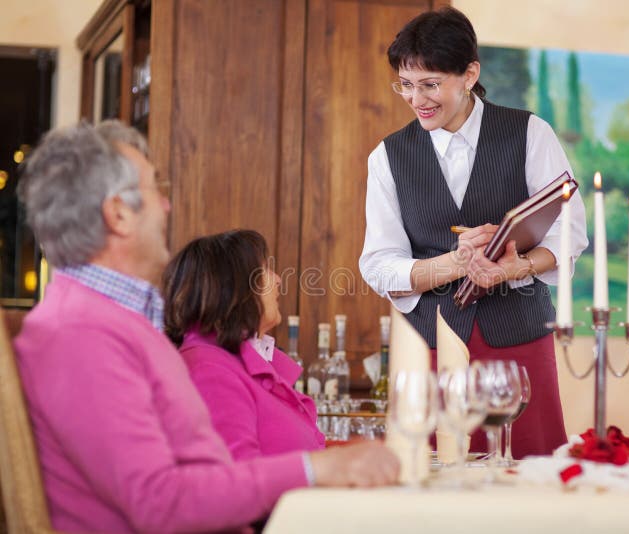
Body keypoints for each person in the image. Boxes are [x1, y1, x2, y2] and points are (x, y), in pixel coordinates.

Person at [14, 120, 398, 534]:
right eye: (154, 190)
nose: (166, 206)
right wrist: (313, 469)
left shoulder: (114, 323)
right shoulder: (79, 334)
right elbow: (160, 503)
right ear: (119, 214)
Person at [359, 7, 588, 458]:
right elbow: (379, 265)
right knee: (436, 486)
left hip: (520, 341)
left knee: (527, 476)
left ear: (469, 74)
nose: (415, 98)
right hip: (430, 347)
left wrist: (514, 267)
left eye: (430, 83)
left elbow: (569, 230)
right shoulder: (386, 157)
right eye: (405, 84)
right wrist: (454, 263)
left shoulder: (529, 133)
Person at [162, 229, 325, 460]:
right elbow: (235, 477)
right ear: (233, 287)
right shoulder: (210, 371)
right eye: (265, 270)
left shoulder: (231, 362)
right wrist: (322, 468)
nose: (278, 279)